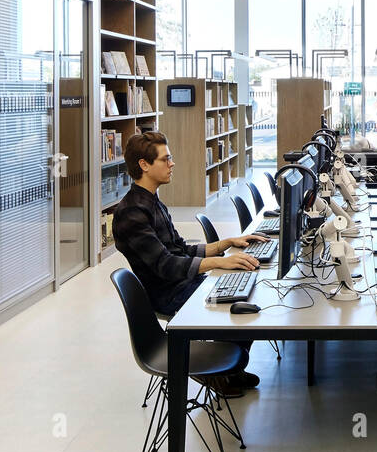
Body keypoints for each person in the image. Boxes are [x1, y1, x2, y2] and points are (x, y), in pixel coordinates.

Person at [112, 131, 266, 395]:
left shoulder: (152, 201)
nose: (172, 164)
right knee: (240, 302)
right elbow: (166, 265)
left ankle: (229, 370)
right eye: (166, 159)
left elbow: (180, 249)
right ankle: (220, 371)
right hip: (168, 293)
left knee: (248, 288)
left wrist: (226, 243)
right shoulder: (132, 213)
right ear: (144, 165)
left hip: (183, 281)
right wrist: (221, 263)